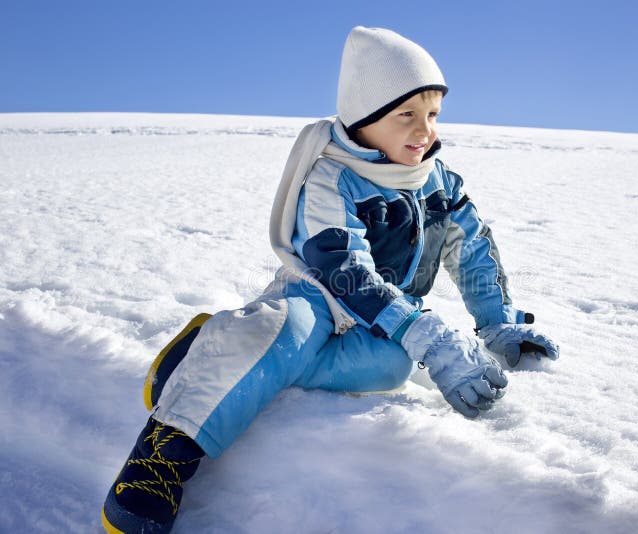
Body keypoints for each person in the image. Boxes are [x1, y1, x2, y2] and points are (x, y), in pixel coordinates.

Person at [101, 26, 560, 534]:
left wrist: (496, 326)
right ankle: (160, 458)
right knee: (283, 334)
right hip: (318, 295)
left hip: (386, 316)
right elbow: (343, 269)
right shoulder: (331, 177)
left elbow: (472, 253)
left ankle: (213, 351)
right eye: (405, 114)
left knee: (390, 367)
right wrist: (427, 332)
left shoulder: (440, 183)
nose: (424, 130)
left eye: (432, 114)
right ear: (365, 118)